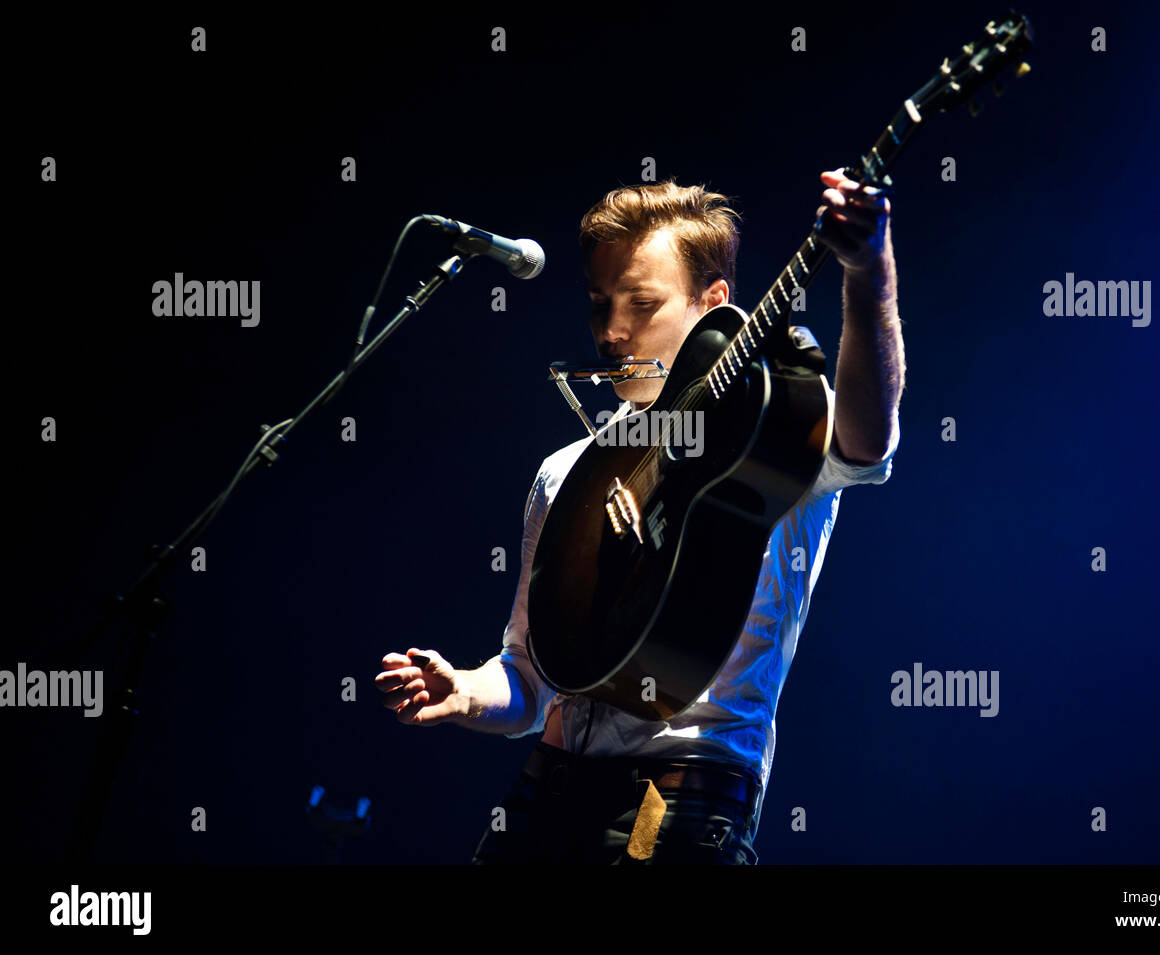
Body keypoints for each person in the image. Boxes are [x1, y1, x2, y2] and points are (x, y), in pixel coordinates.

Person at [374, 169, 905, 863]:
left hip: (677, 799)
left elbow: (867, 438)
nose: (613, 332)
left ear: (712, 302)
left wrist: (868, 273)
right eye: (599, 305)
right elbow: (532, 678)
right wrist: (465, 690)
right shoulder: (566, 471)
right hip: (544, 790)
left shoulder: (769, 437)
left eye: (642, 304)